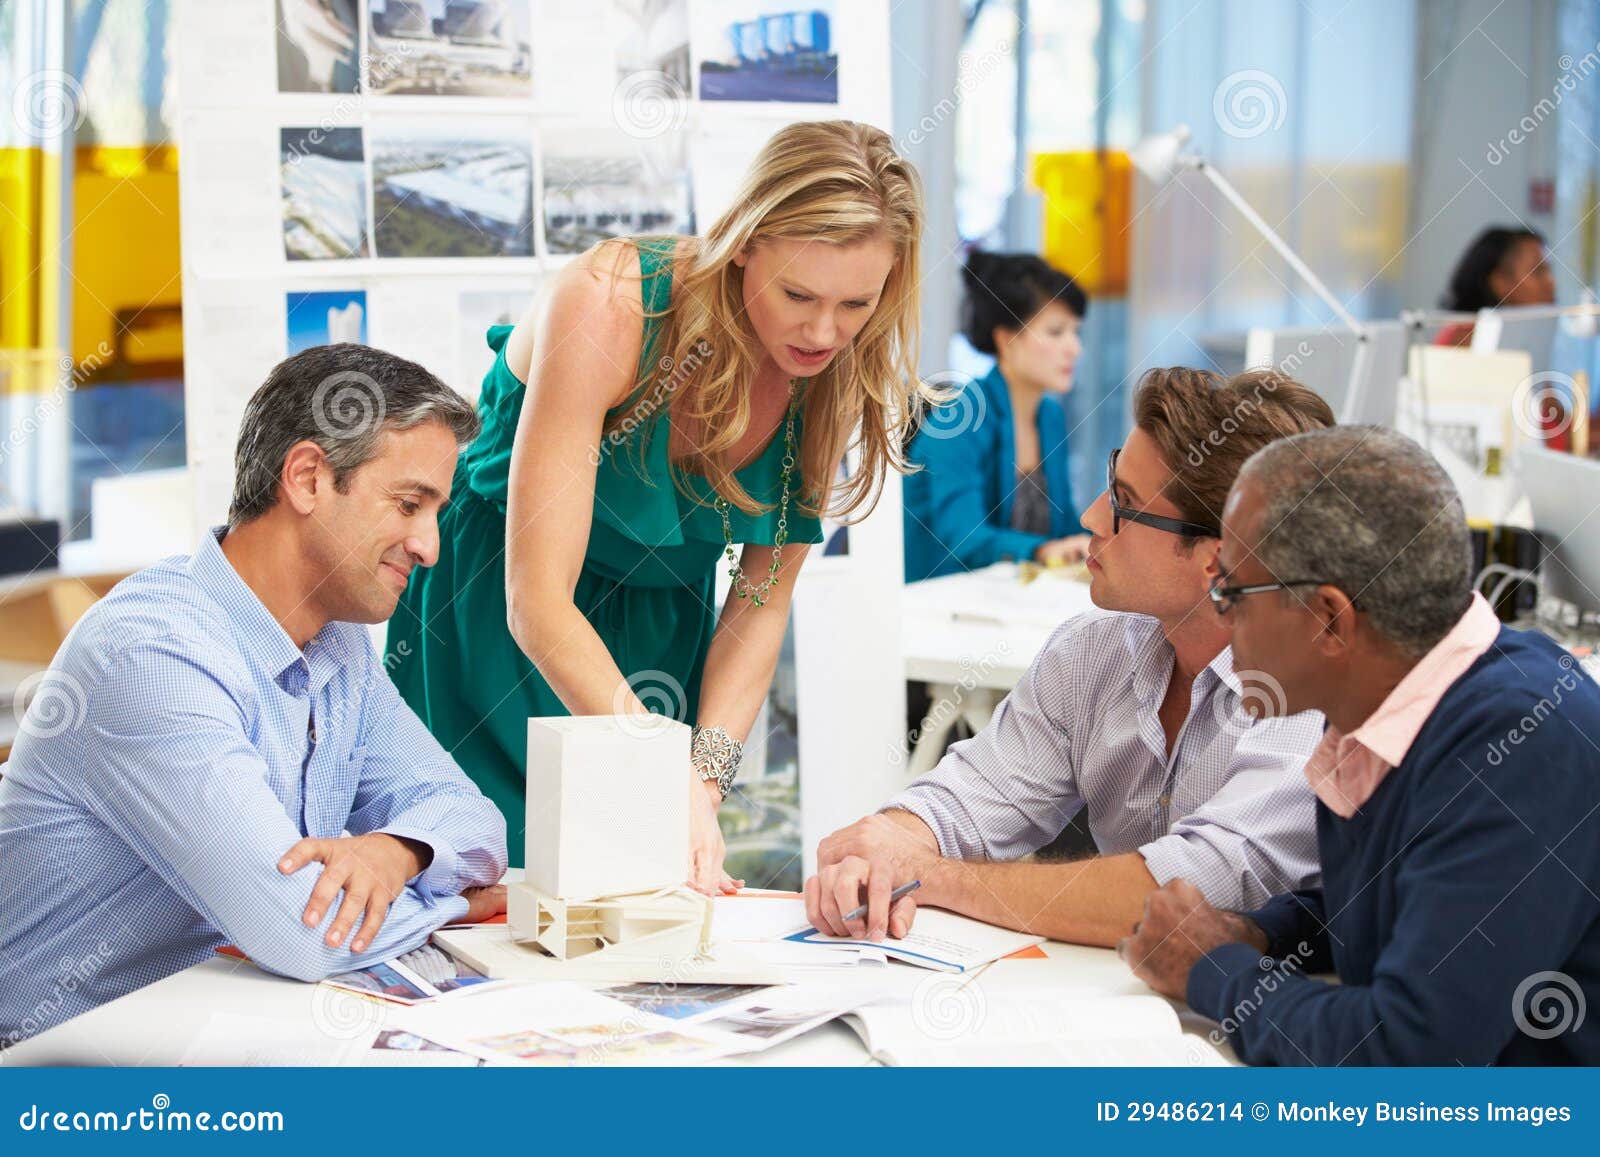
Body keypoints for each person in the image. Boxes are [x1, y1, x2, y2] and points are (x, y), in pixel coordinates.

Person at [387, 121, 927, 891]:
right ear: (743, 242)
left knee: (644, 888)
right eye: (798, 294)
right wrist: (652, 763)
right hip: (497, 618)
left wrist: (699, 780)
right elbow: (536, 602)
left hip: (657, 638)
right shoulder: (609, 304)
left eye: (855, 304)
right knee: (478, 886)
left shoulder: (837, 368)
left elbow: (762, 603)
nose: (822, 331)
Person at [0, 345, 509, 1046]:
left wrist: (398, 853)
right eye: (408, 504)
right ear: (305, 478)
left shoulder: (339, 649)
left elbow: (475, 820)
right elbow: (300, 930)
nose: (429, 546)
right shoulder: (152, 654)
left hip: (221, 1034)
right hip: (62, 1072)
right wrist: (460, 904)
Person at [1120, 426, 1600, 1065]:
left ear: (1329, 619)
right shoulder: (1389, 696)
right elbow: (1407, 905)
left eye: (1230, 592)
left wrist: (1215, 968)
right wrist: (1264, 933)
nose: (1219, 615)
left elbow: (1405, 1055)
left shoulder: (1523, 746)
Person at [806, 368, 1335, 946]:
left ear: (1218, 560)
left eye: (1125, 505)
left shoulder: (1310, 694)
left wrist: (932, 876)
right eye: (1111, 483)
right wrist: (886, 844)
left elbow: (1181, 895)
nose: (1090, 517)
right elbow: (973, 794)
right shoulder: (1095, 649)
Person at [903, 251, 1092, 582]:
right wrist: (1043, 552)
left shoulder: (1049, 416)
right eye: (1056, 332)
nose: (1074, 348)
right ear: (1007, 339)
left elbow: (1065, 526)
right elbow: (964, 539)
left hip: (1016, 599)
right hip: (939, 603)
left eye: (1076, 333)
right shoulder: (960, 418)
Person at [1435, 225, 1555, 346]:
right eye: (1538, 271)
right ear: (1500, 282)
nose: (1551, 281)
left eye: (1549, 271)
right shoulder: (1465, 341)